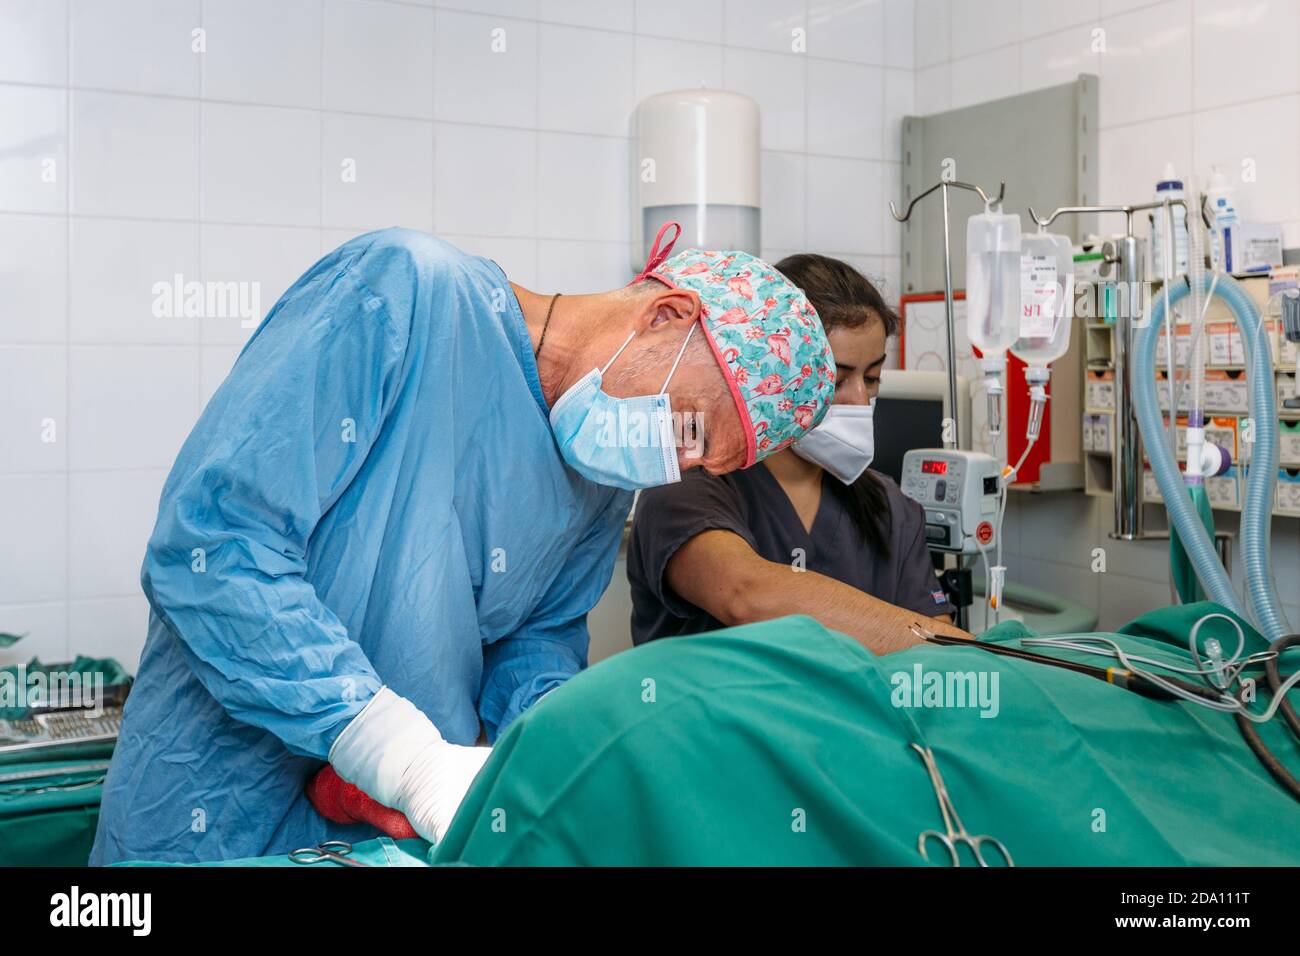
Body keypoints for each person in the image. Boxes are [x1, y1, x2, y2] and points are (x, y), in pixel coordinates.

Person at [89, 223, 834, 864]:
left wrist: (553, 757)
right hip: (216, 813)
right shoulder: (402, 295)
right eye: (692, 430)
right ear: (667, 315)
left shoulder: (598, 475)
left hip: (395, 838)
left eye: (702, 464)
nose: (675, 465)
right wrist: (394, 750)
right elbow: (215, 548)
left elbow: (535, 641)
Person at [628, 254, 968, 655]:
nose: (860, 400)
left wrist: (979, 659)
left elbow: (941, 661)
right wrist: (933, 641)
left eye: (872, 378)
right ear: (776, 373)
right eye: (837, 380)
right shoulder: (687, 485)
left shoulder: (890, 509)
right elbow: (745, 593)